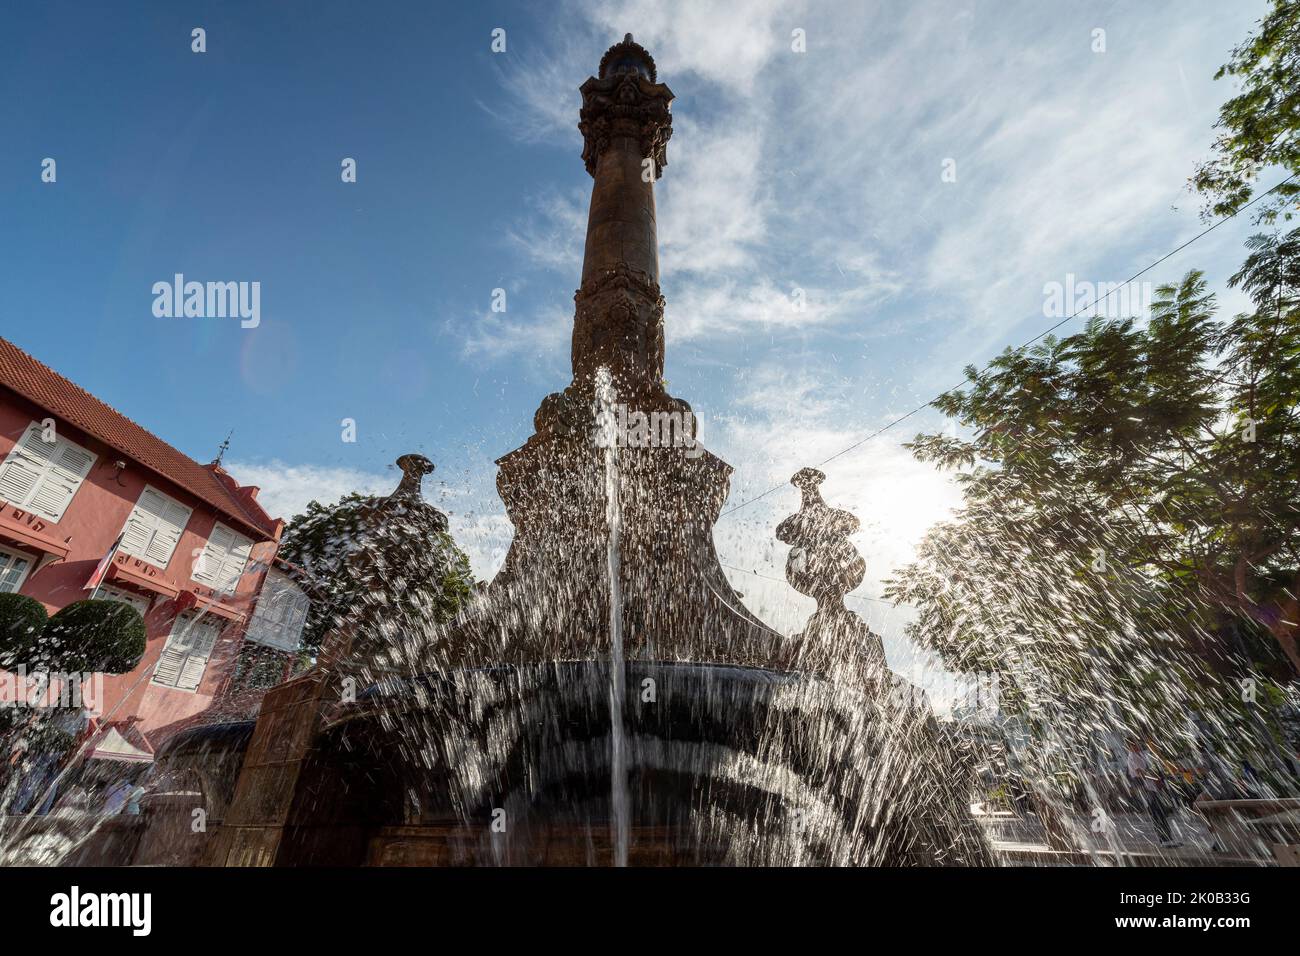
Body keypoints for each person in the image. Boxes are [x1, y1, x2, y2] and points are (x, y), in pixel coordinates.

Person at [1126, 738, 1181, 849]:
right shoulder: (1132, 757)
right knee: (1156, 814)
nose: (1137, 746)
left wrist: (1157, 779)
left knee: (1161, 813)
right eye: (1134, 745)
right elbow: (1141, 774)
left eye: (1136, 744)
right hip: (1145, 789)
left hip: (1152, 787)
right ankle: (1164, 840)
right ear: (1130, 747)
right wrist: (1155, 778)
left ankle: (1168, 839)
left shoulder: (1141, 754)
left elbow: (1149, 768)